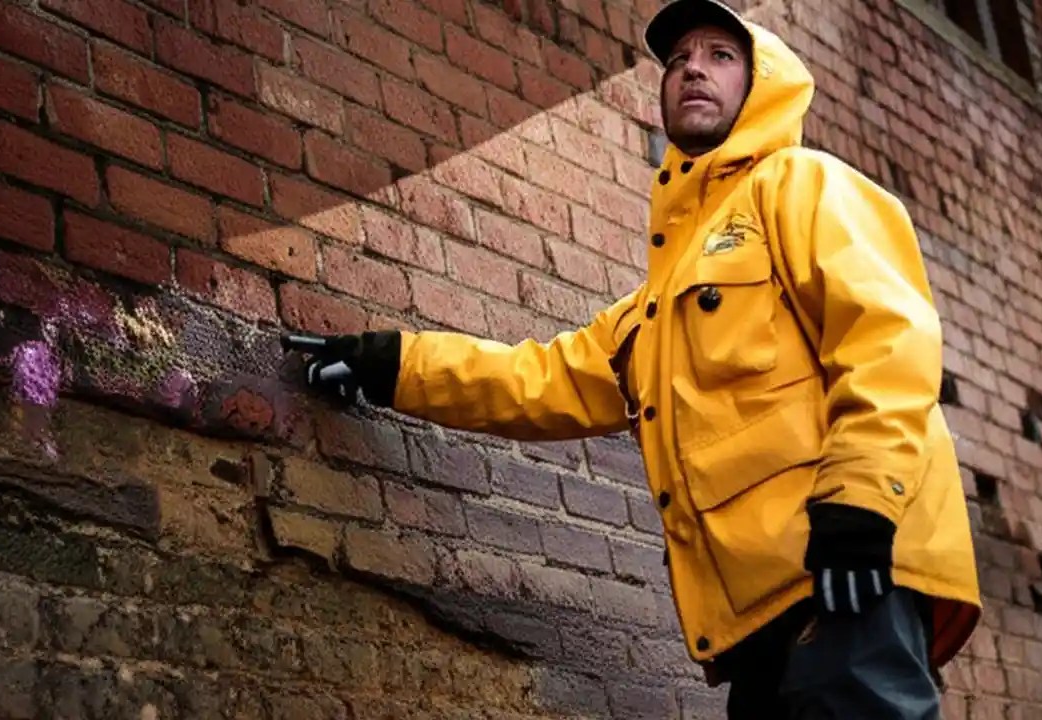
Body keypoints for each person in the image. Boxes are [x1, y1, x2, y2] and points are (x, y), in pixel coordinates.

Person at [284, 0, 982, 716]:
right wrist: (390, 363)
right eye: (677, 61)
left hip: (845, 562)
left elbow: (887, 340)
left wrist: (863, 504)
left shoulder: (805, 185)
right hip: (756, 614)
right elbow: (542, 380)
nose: (692, 71)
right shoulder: (658, 303)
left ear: (763, 80)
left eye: (720, 55)